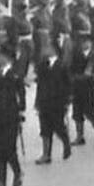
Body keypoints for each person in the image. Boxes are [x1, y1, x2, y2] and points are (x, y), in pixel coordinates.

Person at [0, 43, 25, 186]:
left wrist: (21, 112)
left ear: (7, 58)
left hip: (10, 115)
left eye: (0, 55)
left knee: (9, 148)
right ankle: (1, 181)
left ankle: (17, 172)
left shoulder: (15, 74)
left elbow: (21, 95)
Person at [33, 33, 72, 164]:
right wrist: (37, 101)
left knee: (58, 126)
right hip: (44, 100)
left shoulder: (62, 66)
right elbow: (39, 85)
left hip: (57, 102)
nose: (44, 50)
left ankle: (66, 142)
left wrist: (67, 100)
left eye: (47, 47)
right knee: (44, 129)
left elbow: (68, 85)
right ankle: (46, 154)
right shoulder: (41, 66)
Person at [69, 26, 94, 145]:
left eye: (86, 41)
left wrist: (92, 75)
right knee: (77, 111)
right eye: (81, 41)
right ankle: (80, 136)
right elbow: (70, 69)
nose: (83, 43)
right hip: (77, 85)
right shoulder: (75, 54)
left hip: (88, 86)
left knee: (88, 109)